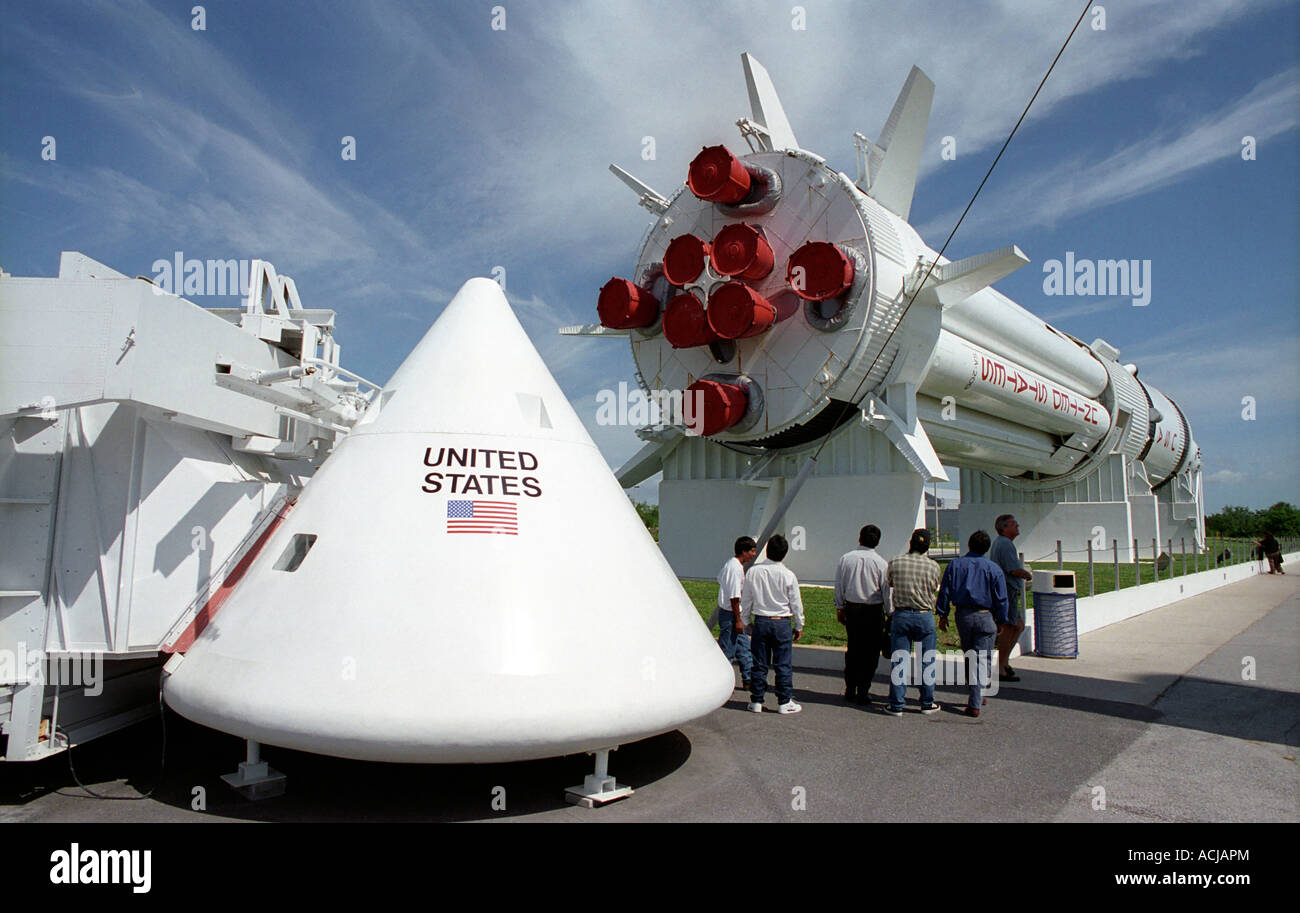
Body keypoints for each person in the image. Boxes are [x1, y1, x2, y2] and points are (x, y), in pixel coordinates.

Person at [936, 530, 1009, 718]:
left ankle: (975, 690)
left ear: (969, 544)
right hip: (985, 615)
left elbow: (945, 591)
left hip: (963, 615)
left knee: (969, 654)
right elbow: (1001, 599)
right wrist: (1001, 620)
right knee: (982, 657)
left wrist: (942, 614)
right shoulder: (993, 569)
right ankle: (976, 699)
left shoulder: (955, 565)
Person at [741, 535, 804, 714]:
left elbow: (746, 599)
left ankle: (756, 700)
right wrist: (799, 624)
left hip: (761, 620)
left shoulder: (754, 571)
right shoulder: (788, 575)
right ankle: (784, 701)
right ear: (784, 554)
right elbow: (795, 603)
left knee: (759, 663)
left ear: (767, 550)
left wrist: (746, 621)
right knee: (783, 663)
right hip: (782, 621)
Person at [884, 529, 944, 716]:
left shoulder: (895, 562)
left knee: (900, 660)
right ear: (927, 546)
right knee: (927, 660)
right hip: (924, 615)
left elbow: (890, 583)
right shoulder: (934, 566)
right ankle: (927, 702)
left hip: (902, 615)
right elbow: (934, 587)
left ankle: (896, 704)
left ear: (910, 543)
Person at [833, 524, 891, 704]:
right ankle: (863, 690)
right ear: (878, 542)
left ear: (860, 538)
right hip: (873, 611)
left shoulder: (846, 559)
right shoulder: (881, 563)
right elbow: (886, 591)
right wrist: (890, 612)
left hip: (852, 609)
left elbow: (839, 585)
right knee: (871, 653)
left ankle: (850, 687)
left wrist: (840, 607)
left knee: (853, 649)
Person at [989, 514, 1033, 682]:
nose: (1017, 526)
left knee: (1018, 626)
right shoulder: (1005, 544)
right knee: (1009, 628)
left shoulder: (1002, 544)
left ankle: (1005, 663)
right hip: (1007, 591)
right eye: (1014, 524)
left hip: (1009, 591)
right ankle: (1001, 667)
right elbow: (1012, 569)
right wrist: (1026, 574)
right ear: (1004, 528)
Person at [716, 536, 757, 688]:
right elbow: (734, 597)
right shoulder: (734, 568)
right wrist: (738, 620)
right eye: (752, 551)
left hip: (735, 614)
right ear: (743, 551)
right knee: (728, 651)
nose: (753, 554)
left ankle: (748, 679)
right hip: (731, 615)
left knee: (744, 648)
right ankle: (722, 684)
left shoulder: (735, 566)